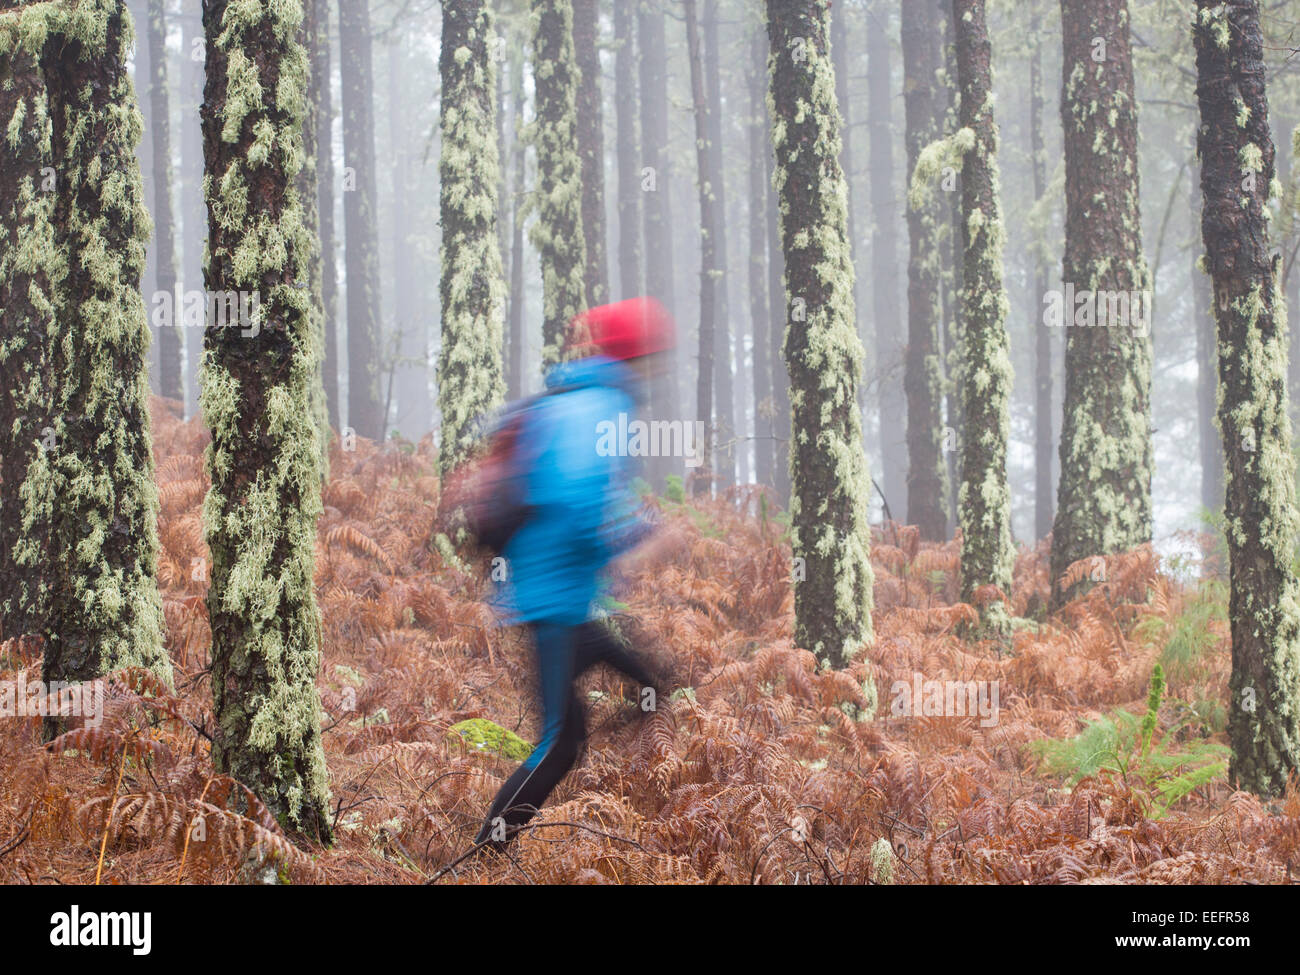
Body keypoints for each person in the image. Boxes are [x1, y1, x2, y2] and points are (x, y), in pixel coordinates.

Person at [472, 297, 676, 851]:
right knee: (561, 740)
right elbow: (575, 500)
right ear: (636, 355)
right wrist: (638, 535)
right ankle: (486, 850)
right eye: (653, 354)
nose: (657, 366)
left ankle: (641, 721)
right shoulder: (600, 406)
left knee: (652, 684)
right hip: (552, 595)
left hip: (563, 593)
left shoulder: (584, 398)